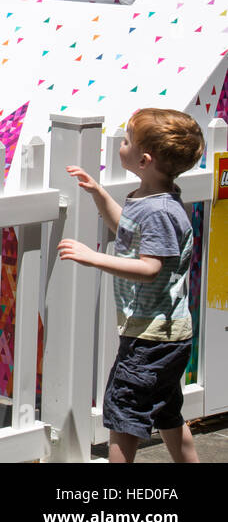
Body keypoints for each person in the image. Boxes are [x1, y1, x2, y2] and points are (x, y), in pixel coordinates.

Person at [58, 109, 205, 464]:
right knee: (167, 412)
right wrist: (99, 195)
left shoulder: (160, 211)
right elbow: (126, 229)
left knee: (124, 418)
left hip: (150, 340)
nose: (119, 145)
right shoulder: (152, 198)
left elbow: (149, 268)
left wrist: (92, 257)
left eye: (125, 141)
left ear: (144, 159)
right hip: (165, 336)